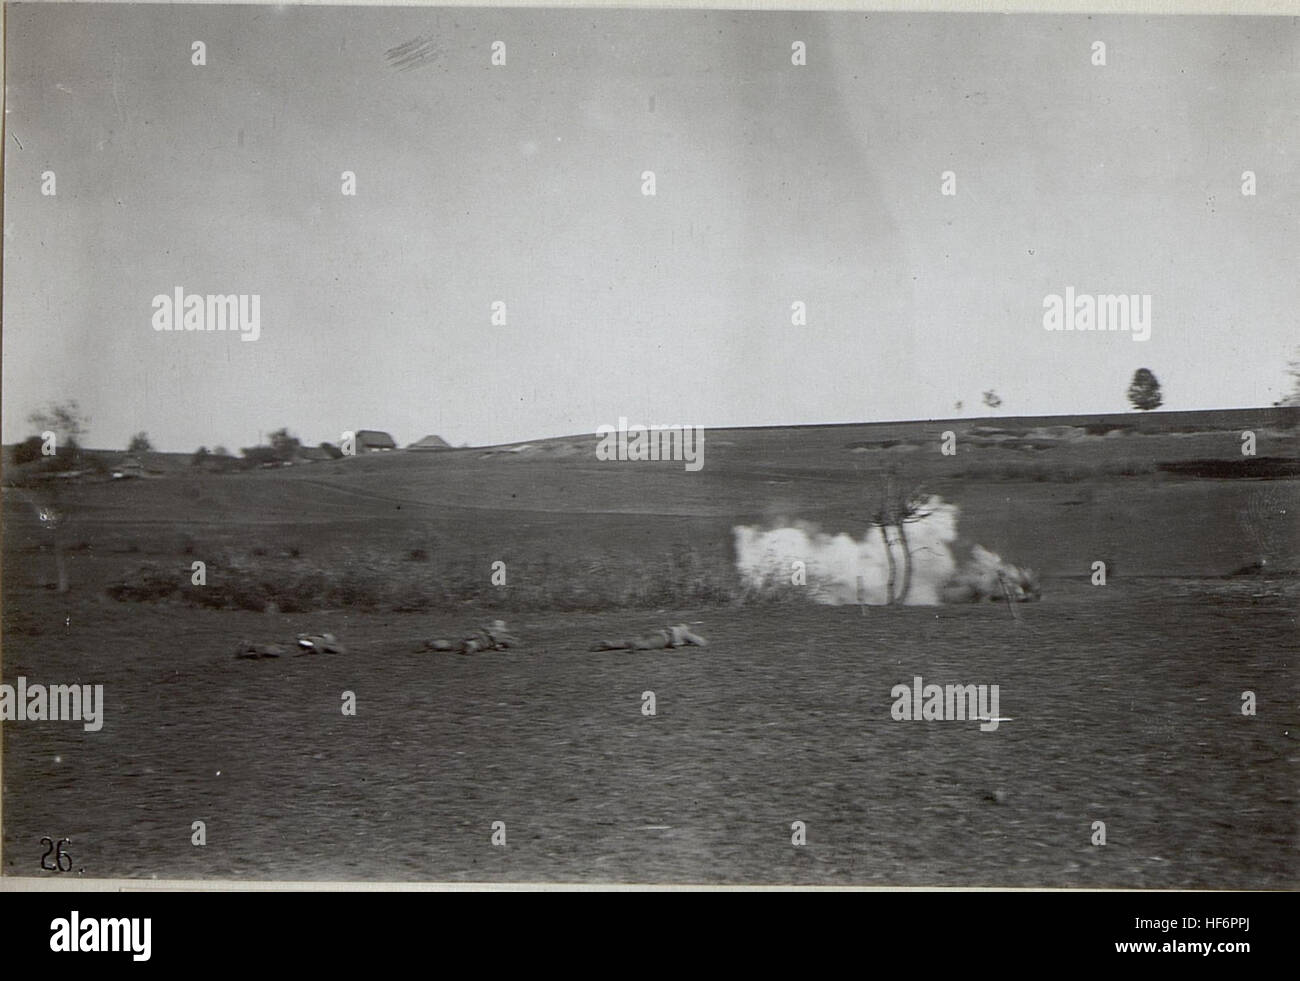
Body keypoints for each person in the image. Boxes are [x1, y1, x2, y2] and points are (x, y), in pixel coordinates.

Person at [590, 623, 708, 652]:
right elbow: (701, 642)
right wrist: (689, 641)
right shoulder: (685, 633)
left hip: (658, 632)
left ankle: (610, 644)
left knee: (633, 640)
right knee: (647, 644)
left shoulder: (676, 628)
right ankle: (636, 646)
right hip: (665, 638)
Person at [422, 620, 517, 655]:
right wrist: (498, 647)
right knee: (476, 644)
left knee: (451, 644)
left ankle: (433, 644)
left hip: (473, 637)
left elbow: (498, 645)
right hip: (481, 640)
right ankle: (471, 645)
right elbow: (499, 644)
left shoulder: (484, 630)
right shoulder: (496, 636)